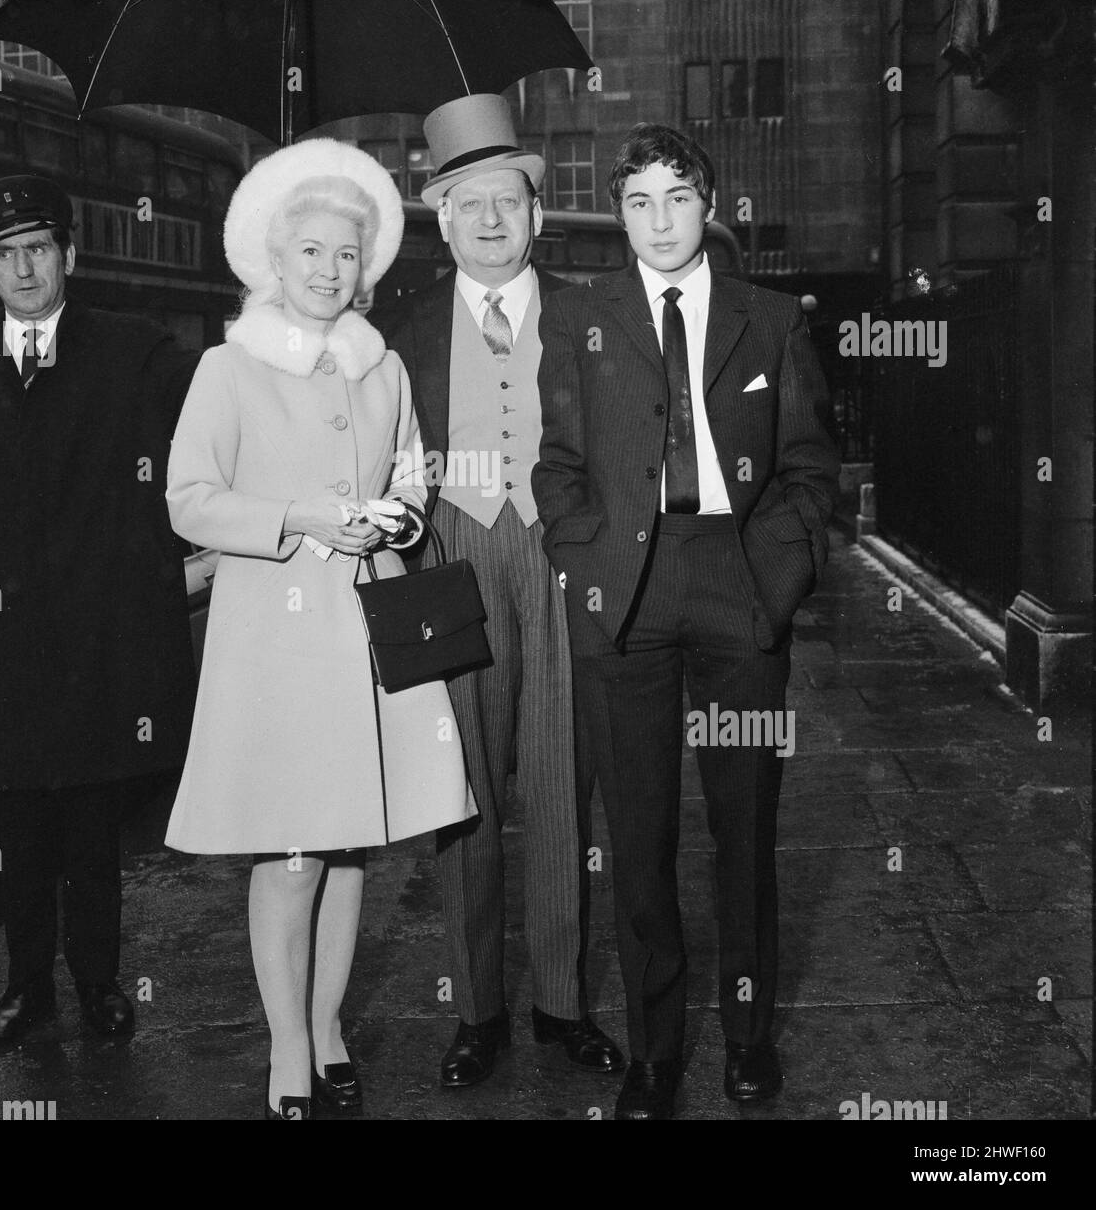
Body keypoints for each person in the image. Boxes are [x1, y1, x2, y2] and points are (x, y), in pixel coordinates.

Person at [163, 139, 476, 1121]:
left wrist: (397, 515)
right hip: (274, 643)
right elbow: (188, 501)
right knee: (291, 851)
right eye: (311, 252)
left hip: (365, 635)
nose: (330, 271)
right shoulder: (227, 366)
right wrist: (300, 516)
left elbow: (413, 480)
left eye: (347, 254)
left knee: (350, 847)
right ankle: (286, 1049)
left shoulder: (380, 370)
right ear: (272, 257)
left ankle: (330, 1022)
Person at [533, 123, 839, 1118]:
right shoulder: (578, 317)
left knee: (745, 827)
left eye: (675, 196)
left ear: (709, 202)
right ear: (617, 214)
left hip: (735, 586)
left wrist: (774, 583)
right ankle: (655, 1050)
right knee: (638, 833)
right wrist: (585, 567)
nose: (658, 220)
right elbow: (559, 469)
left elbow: (808, 468)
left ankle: (746, 1037)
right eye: (636, 201)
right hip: (625, 596)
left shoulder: (770, 317)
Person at [0, 174, 198, 1048]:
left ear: (69, 255)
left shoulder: (133, 350)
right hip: (6, 639)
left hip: (100, 632)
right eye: (5, 254)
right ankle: (26, 985)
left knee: (91, 825)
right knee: (20, 820)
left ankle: (100, 983)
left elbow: (213, 416)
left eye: (39, 248)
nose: (24, 268)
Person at [373, 94, 623, 1088]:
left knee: (563, 783)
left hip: (557, 557)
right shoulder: (397, 327)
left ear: (536, 208)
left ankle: (561, 1001)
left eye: (507, 199)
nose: (489, 220)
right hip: (450, 556)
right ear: (439, 215)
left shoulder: (590, 314)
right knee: (461, 791)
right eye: (468, 201)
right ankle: (474, 1010)